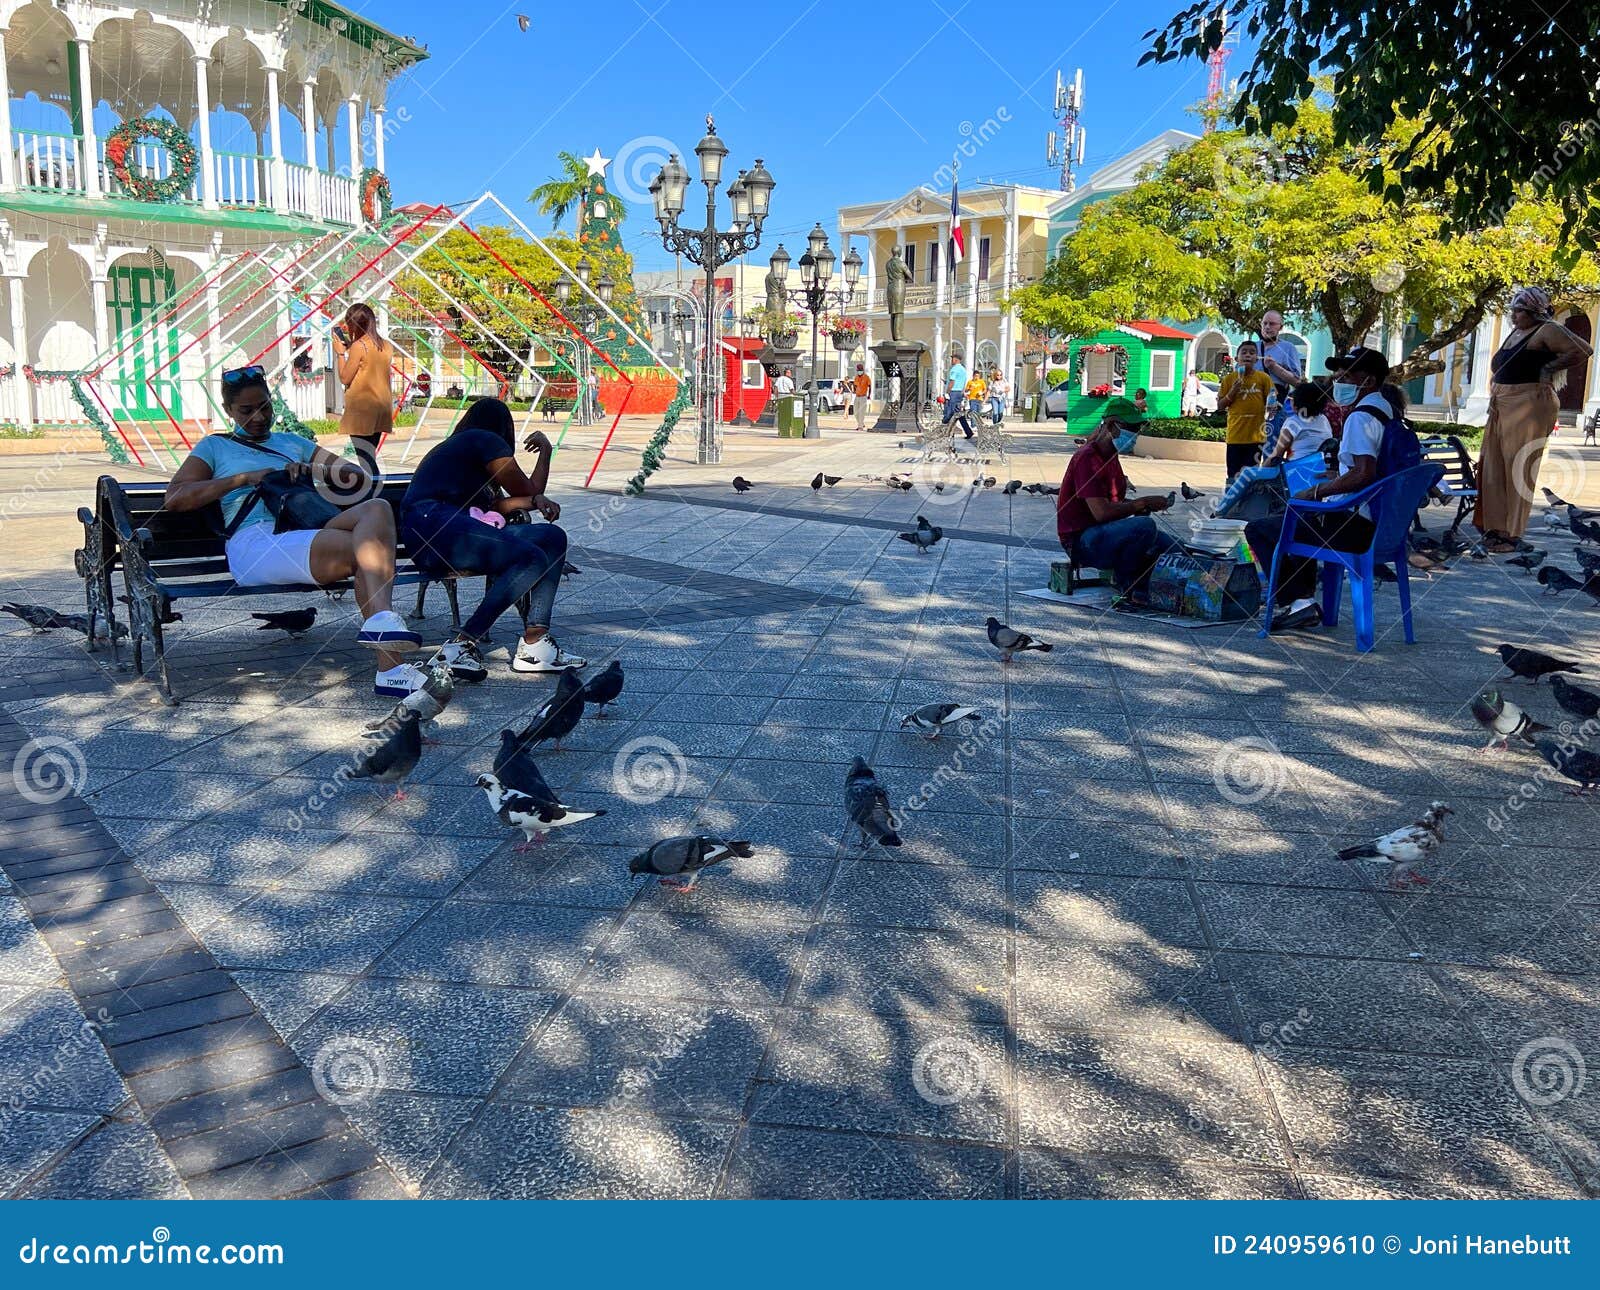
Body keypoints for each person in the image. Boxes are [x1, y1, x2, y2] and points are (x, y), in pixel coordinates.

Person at [162, 365, 423, 696]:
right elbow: (175, 498)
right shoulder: (215, 447)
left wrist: (313, 468)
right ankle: (390, 664)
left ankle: (382, 628)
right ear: (228, 410)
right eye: (246, 410)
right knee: (367, 551)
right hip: (257, 541)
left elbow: (358, 478)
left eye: (265, 407)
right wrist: (243, 479)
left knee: (378, 508)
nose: (259, 417)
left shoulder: (292, 442)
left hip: (306, 526)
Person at [400, 398, 584, 680]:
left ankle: (536, 646)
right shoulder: (484, 439)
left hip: (449, 532)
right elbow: (528, 487)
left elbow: (496, 506)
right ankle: (462, 645)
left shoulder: (462, 454)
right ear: (503, 427)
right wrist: (545, 451)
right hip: (436, 529)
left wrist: (535, 501)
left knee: (551, 537)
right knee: (530, 557)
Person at [1245, 347, 1412, 632]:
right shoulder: (1388, 411)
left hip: (1355, 527)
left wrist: (1317, 491)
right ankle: (1303, 601)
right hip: (1385, 526)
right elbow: (1373, 469)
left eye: (1347, 376)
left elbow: (1364, 473)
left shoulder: (1360, 417)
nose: (1339, 381)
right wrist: (1337, 477)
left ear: (1369, 381)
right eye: (1338, 375)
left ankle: (1299, 602)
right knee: (1300, 521)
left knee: (1261, 528)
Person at [1475, 286, 1593, 551]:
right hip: (1502, 403)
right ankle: (1495, 528)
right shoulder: (1516, 332)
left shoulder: (1547, 330)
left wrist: (1548, 368)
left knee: (1518, 469)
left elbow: (1582, 350)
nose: (1514, 315)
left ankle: (1511, 534)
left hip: (1529, 403)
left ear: (1534, 312)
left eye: (1519, 311)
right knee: (1493, 468)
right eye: (1513, 310)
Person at [1056, 397, 1178, 606]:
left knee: (1175, 547)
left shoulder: (1110, 456)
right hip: (1082, 542)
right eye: (1132, 429)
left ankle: (1153, 585)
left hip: (1102, 532)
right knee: (1145, 526)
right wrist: (1140, 503)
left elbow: (1113, 501)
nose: (1135, 435)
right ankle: (1128, 586)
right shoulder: (1087, 458)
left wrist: (1141, 505)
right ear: (1112, 426)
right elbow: (1101, 513)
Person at [332, 303, 395, 466]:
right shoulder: (386, 345)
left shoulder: (359, 346)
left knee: (365, 460)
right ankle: (373, 481)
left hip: (362, 408)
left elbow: (345, 378)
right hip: (381, 407)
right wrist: (350, 347)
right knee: (369, 455)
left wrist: (340, 354)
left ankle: (372, 482)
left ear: (353, 324)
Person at [1217, 340, 1275, 481]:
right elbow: (1220, 406)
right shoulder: (1229, 379)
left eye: (1252, 352)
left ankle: (1249, 496)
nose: (1248, 355)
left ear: (1256, 359)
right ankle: (1232, 495)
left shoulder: (1263, 378)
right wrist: (1233, 391)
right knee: (1233, 476)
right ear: (1236, 359)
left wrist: (1271, 408)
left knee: (1251, 477)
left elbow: (1272, 400)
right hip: (1235, 437)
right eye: (1244, 352)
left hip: (1256, 438)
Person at [1258, 310, 1304, 440]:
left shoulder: (1288, 348)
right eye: (1265, 323)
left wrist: (1274, 367)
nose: (1267, 327)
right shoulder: (1251, 348)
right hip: (1251, 406)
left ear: (1280, 327)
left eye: (1272, 324)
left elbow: (1297, 381)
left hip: (1273, 406)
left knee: (1270, 446)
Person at [943, 352, 972, 439]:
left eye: (952, 359)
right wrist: (962, 392)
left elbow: (952, 381)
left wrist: (947, 392)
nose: (951, 360)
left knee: (950, 412)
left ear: (955, 359)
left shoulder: (954, 369)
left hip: (953, 392)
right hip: (959, 392)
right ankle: (968, 431)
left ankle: (947, 430)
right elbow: (963, 382)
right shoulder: (963, 369)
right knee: (958, 413)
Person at [852, 364, 871, 429]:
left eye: (860, 370)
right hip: (857, 396)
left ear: (863, 370)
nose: (859, 371)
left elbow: (869, 386)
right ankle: (861, 423)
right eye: (858, 370)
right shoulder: (856, 377)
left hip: (863, 396)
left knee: (861, 412)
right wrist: (855, 390)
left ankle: (860, 426)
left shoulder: (866, 377)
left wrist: (869, 395)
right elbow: (855, 385)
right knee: (855, 412)